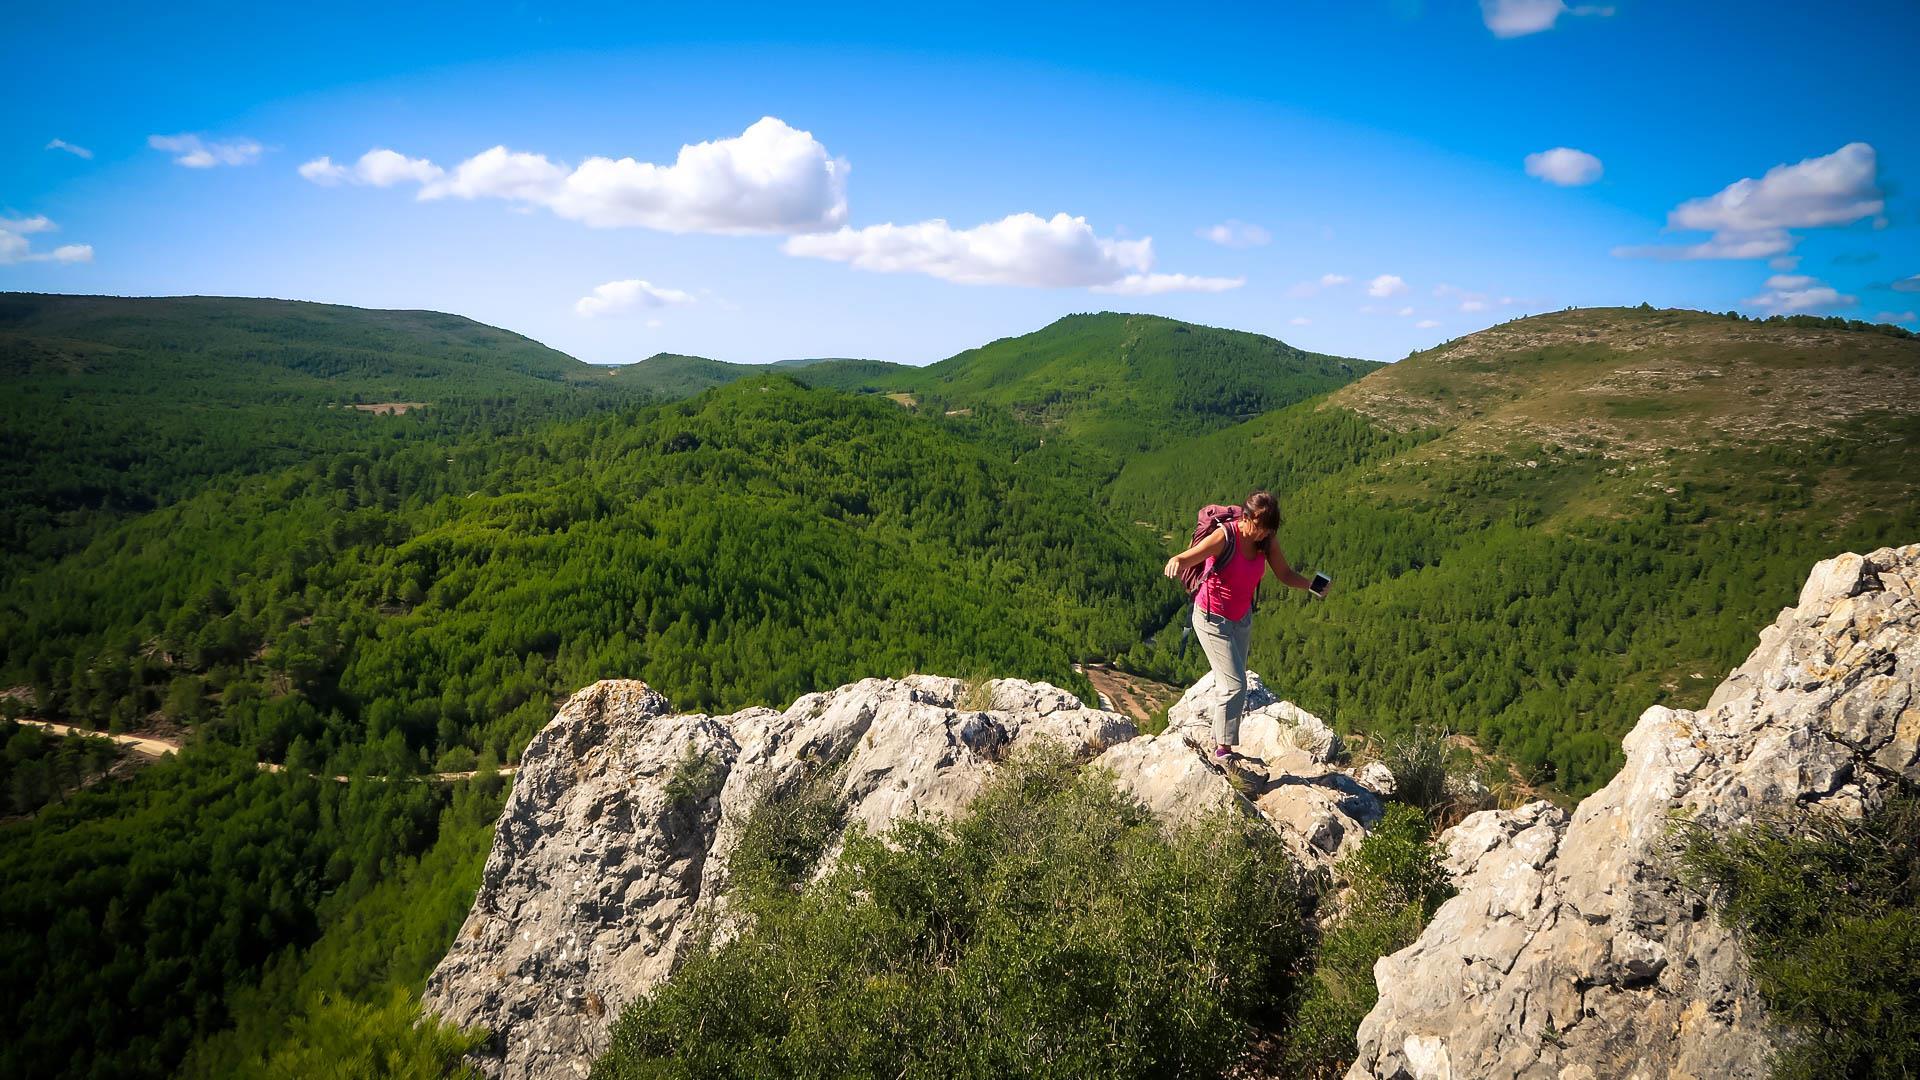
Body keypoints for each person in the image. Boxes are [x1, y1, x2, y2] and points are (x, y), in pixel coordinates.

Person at [1160, 491, 1323, 764]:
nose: (1262, 534)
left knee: (1229, 681)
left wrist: (1312, 585)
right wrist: (1176, 561)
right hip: (1212, 618)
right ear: (1245, 518)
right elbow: (1188, 557)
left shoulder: (1266, 540)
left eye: (1268, 529)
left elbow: (1284, 574)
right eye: (1259, 527)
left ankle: (1219, 738)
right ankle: (1223, 750)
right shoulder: (1225, 537)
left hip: (1241, 619)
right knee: (1235, 685)